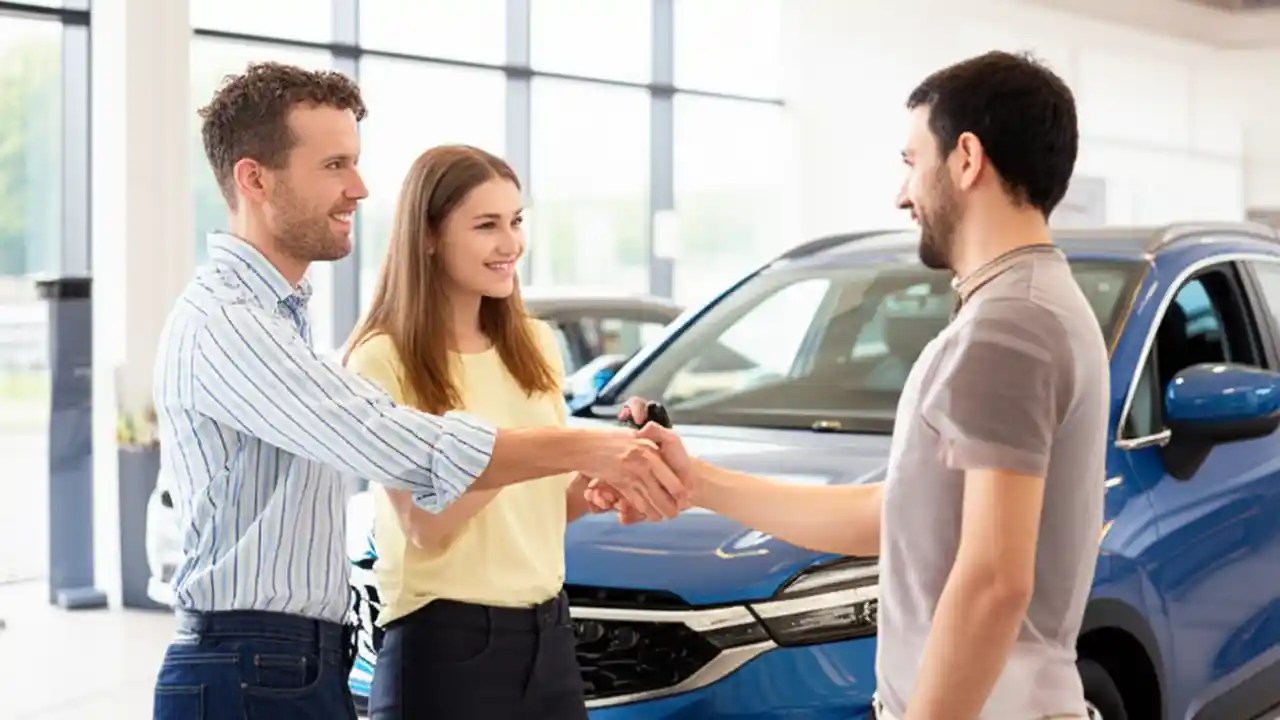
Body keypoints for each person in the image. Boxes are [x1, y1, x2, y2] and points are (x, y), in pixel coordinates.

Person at [151, 62, 686, 720]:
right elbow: (398, 448)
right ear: (255, 178)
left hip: (303, 658)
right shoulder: (229, 326)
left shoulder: (278, 319)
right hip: (264, 662)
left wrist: (584, 476)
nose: (360, 188)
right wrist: (588, 445)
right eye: (334, 165)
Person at [590, 51, 1108, 720]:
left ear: (967, 158)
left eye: (911, 161)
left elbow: (993, 580)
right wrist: (699, 483)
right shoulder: (1028, 306)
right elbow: (896, 516)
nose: (902, 194)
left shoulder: (1010, 326)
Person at [341, 144, 601, 719]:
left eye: (515, 221)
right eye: (487, 225)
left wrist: (596, 490)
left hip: (550, 638)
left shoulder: (534, 345)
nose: (511, 244)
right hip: (446, 647)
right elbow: (425, 527)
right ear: (428, 236)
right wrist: (521, 452)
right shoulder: (382, 360)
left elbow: (540, 505)